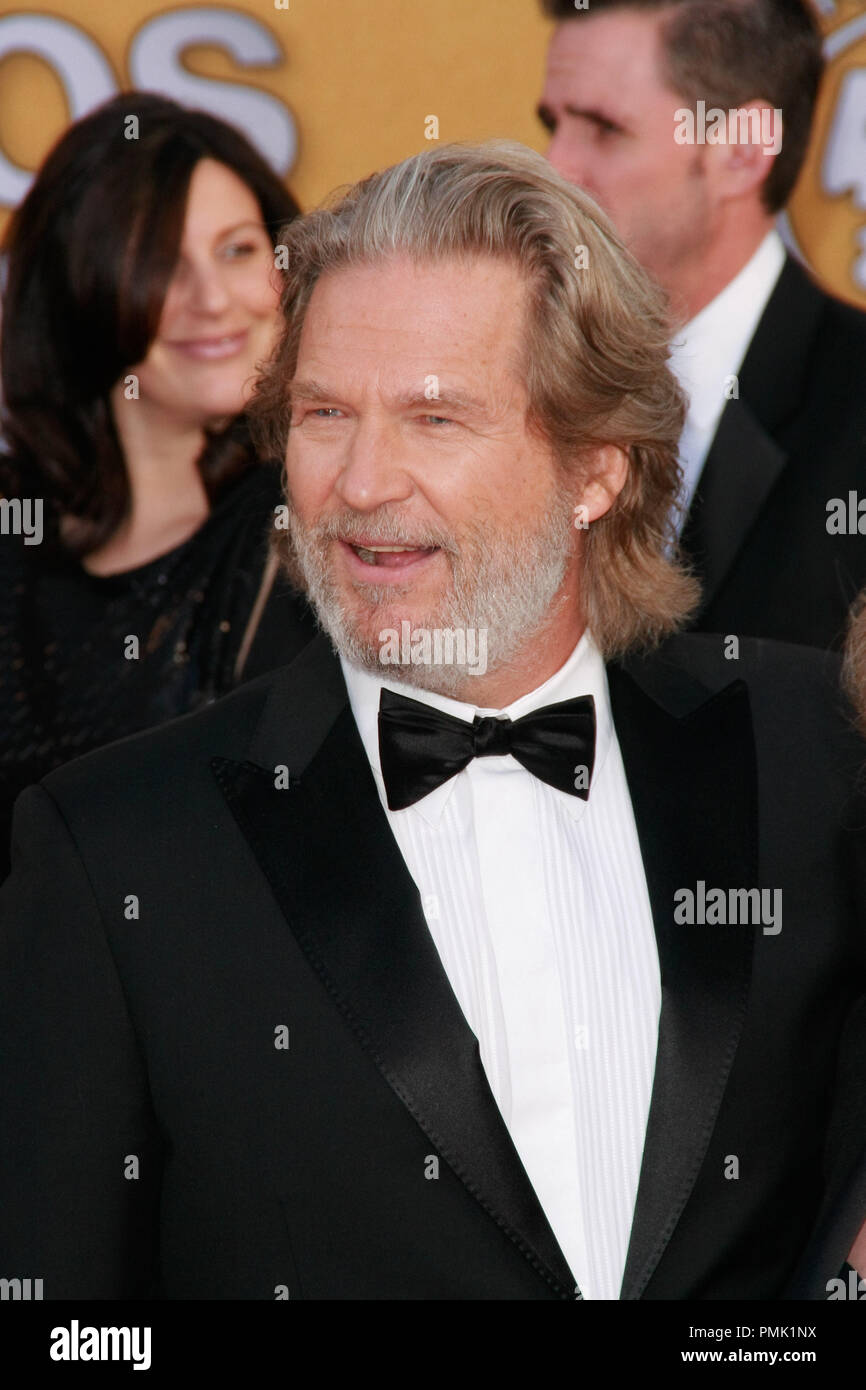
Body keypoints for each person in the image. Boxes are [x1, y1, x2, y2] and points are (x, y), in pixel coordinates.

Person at [1, 142, 864, 1300]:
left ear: (593, 469)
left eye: (433, 418)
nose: (359, 482)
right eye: (321, 413)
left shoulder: (813, 745)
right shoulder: (115, 850)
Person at [0, 94, 317, 881]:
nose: (213, 300)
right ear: (81, 286)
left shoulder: (326, 512)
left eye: (240, 250)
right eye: (162, 262)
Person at [537, 0, 866, 650]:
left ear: (742, 152)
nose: (555, 166)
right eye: (553, 123)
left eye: (604, 129)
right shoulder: (512, 373)